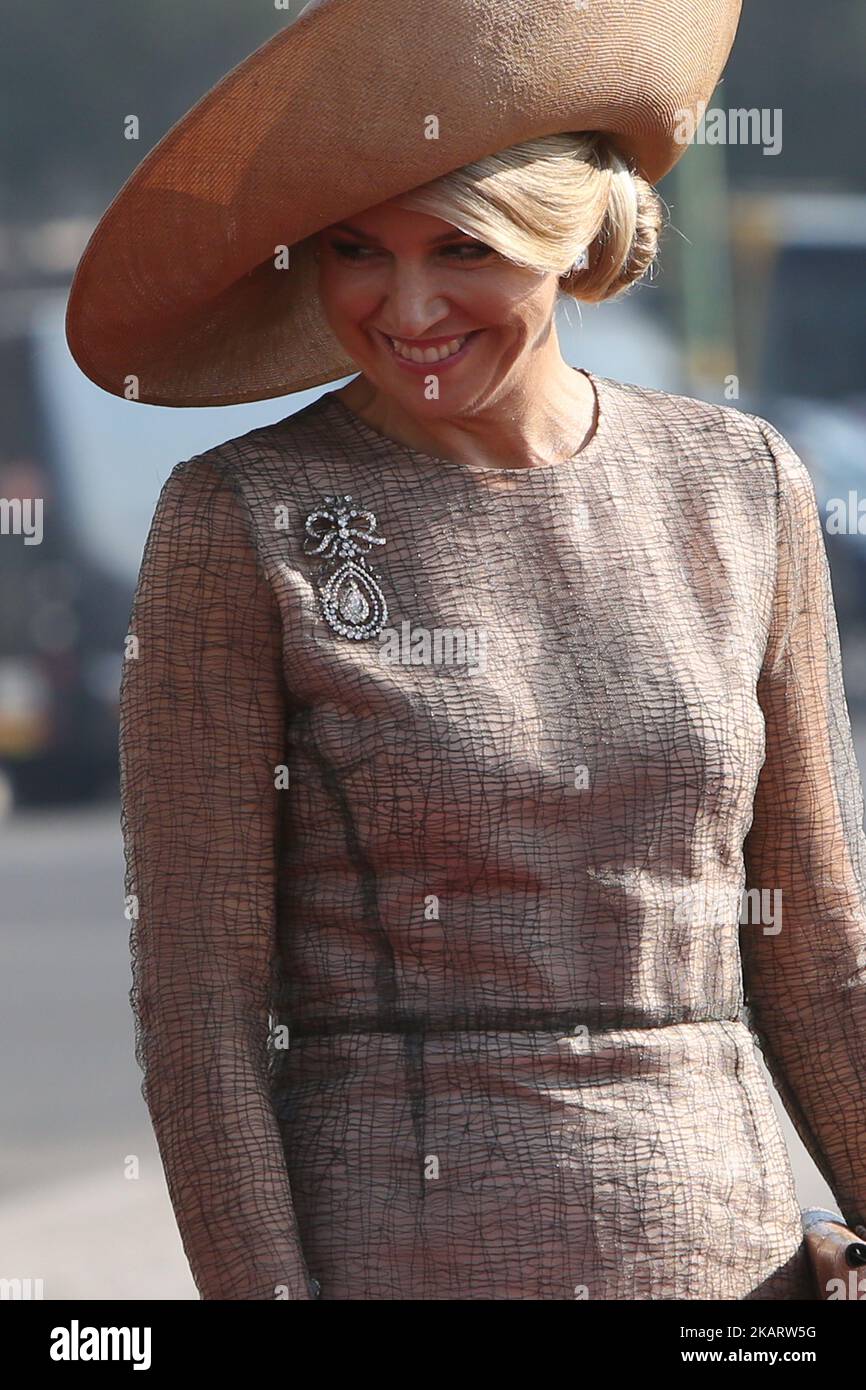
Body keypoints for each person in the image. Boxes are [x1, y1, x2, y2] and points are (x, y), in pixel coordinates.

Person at [67, 0, 866, 1301]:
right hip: (395, 1257)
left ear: (570, 240)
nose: (408, 306)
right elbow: (200, 1013)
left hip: (737, 1273)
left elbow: (821, 957)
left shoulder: (739, 482)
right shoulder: (240, 517)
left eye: (464, 247)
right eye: (353, 249)